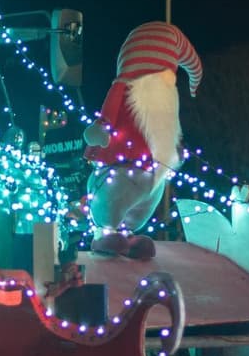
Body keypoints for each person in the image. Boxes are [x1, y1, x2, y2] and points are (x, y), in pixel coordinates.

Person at [82, 21, 202, 260]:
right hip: (120, 164)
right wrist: (100, 130)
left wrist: (174, 152)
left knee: (144, 201)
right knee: (114, 197)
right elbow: (108, 115)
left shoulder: (166, 100)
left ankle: (128, 236)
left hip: (151, 170)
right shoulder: (123, 88)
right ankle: (106, 232)